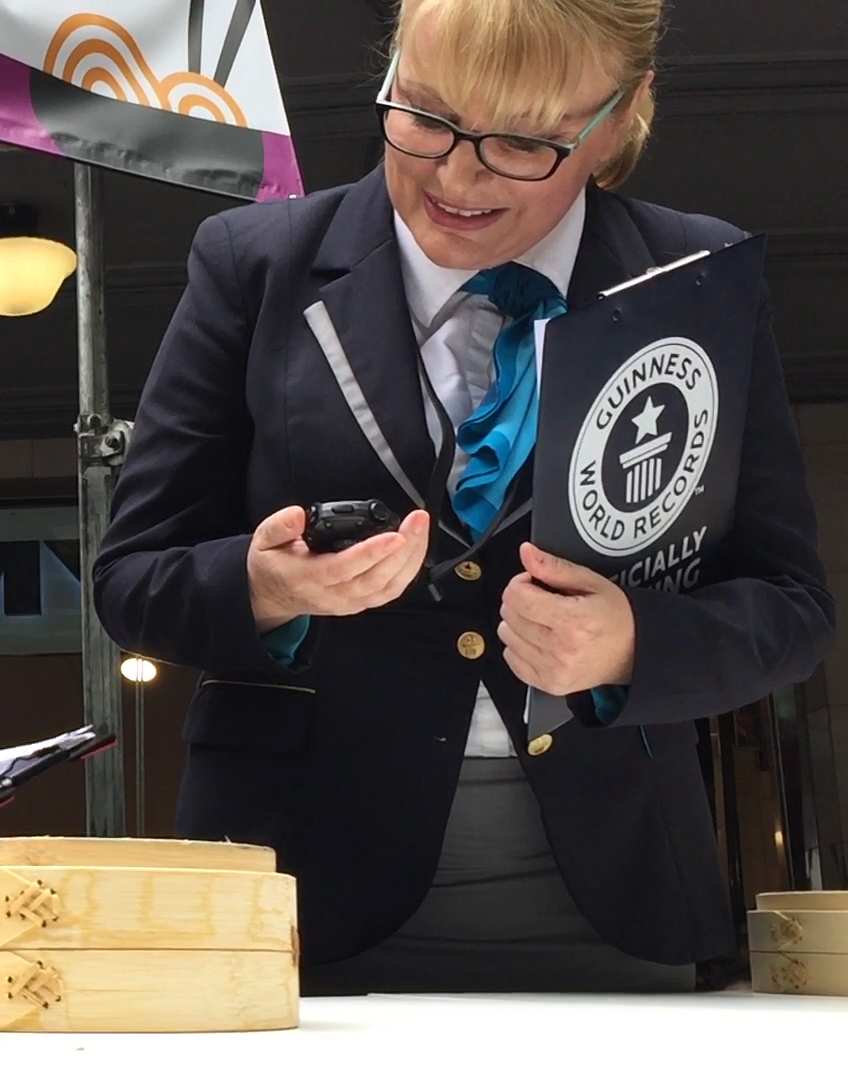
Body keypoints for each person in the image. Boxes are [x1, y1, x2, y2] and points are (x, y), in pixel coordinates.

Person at [94, 0, 834, 993]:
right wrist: (266, 589)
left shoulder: (696, 278)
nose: (456, 174)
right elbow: (133, 577)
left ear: (618, 119)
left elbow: (789, 607)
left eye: (524, 140)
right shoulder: (251, 265)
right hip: (296, 892)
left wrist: (630, 645)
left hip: (612, 885)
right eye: (426, 115)